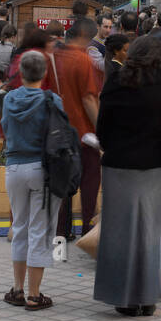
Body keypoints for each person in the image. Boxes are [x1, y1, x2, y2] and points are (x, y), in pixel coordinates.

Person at [93, 35, 161, 316]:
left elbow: (102, 127)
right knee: (150, 232)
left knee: (118, 232)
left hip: (119, 165)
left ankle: (123, 297)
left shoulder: (116, 82)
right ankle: (147, 297)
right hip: (155, 166)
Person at [0, 51, 64, 310]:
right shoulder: (52, 100)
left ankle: (17, 288)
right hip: (42, 168)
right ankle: (35, 294)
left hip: (14, 167)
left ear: (22, 73)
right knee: (40, 229)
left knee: (20, 227)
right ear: (44, 74)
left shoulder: (9, 99)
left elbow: (5, 127)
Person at [52, 21, 102, 241]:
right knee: (89, 185)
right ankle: (88, 234)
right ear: (85, 36)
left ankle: (61, 232)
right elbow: (89, 98)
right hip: (84, 134)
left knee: (64, 185)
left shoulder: (54, 56)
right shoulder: (83, 59)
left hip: (59, 132)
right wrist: (102, 130)